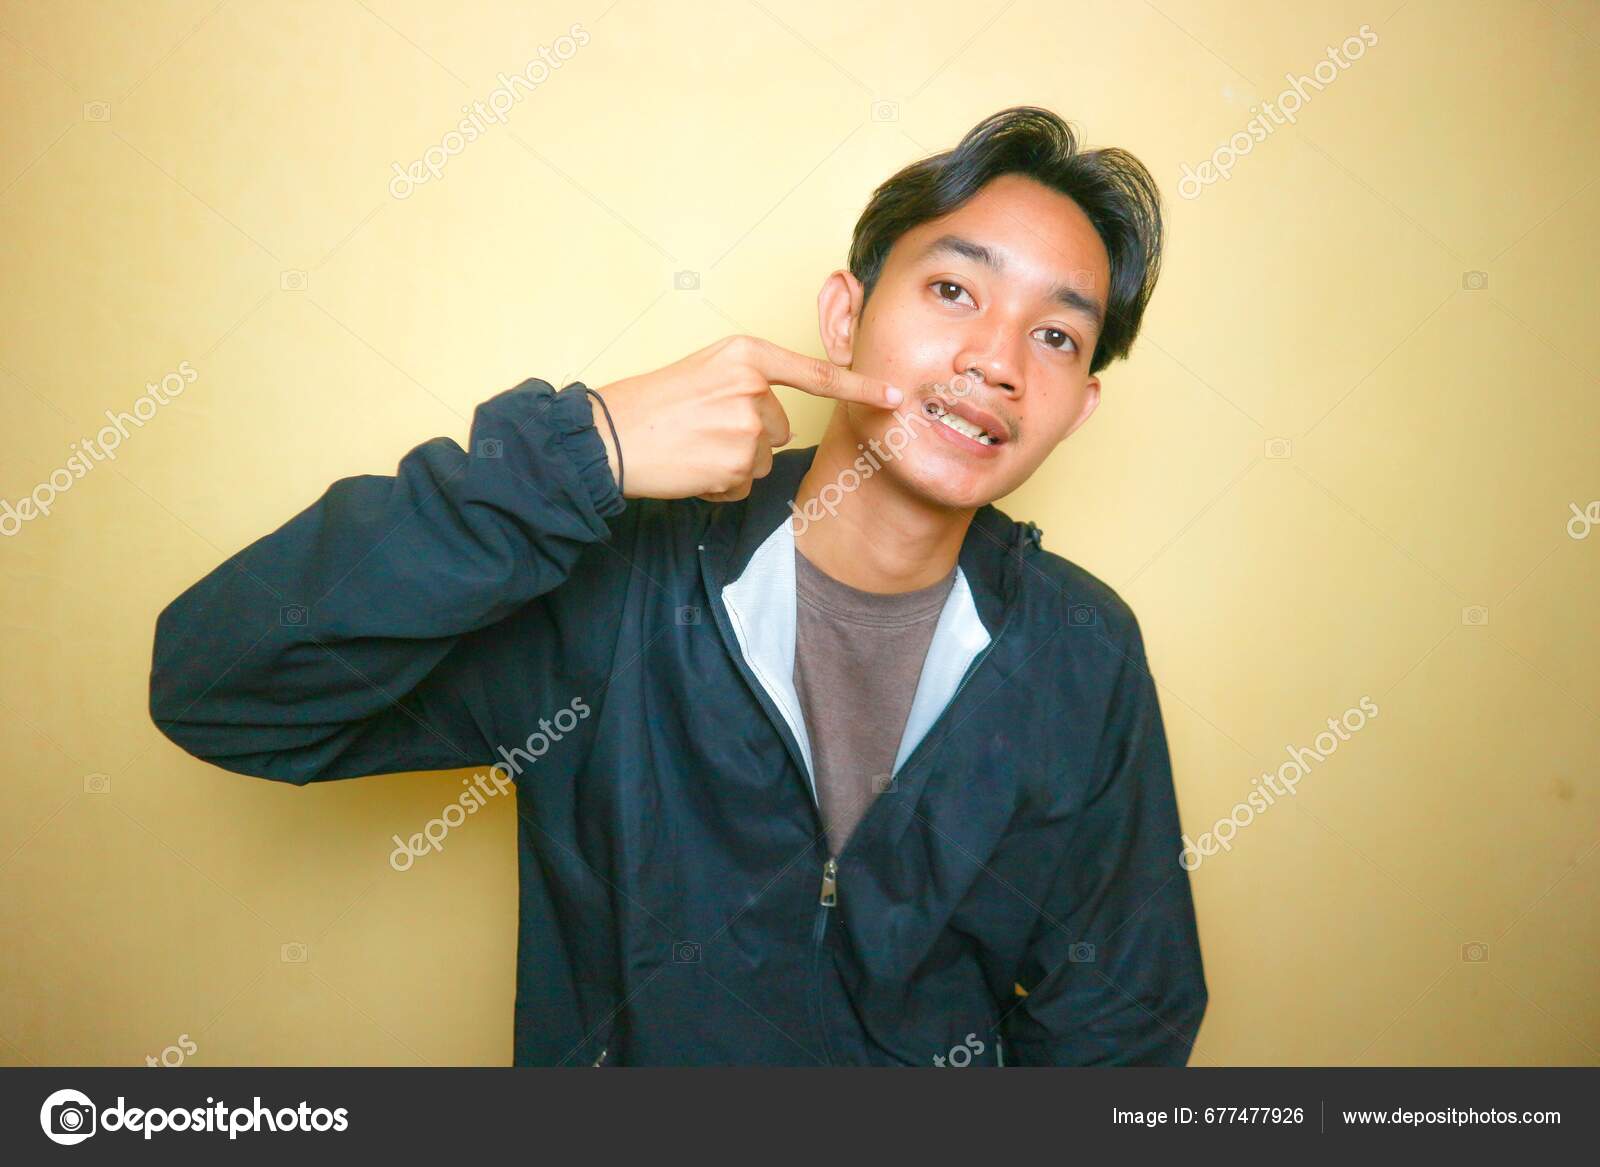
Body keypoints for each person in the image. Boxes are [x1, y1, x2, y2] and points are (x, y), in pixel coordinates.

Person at [149, 106, 1207, 1066]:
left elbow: (1120, 1011)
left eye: (1054, 334)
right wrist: (580, 456)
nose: (996, 359)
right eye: (952, 290)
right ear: (844, 318)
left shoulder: (1082, 647)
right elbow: (224, 688)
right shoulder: (622, 583)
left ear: (1077, 407)